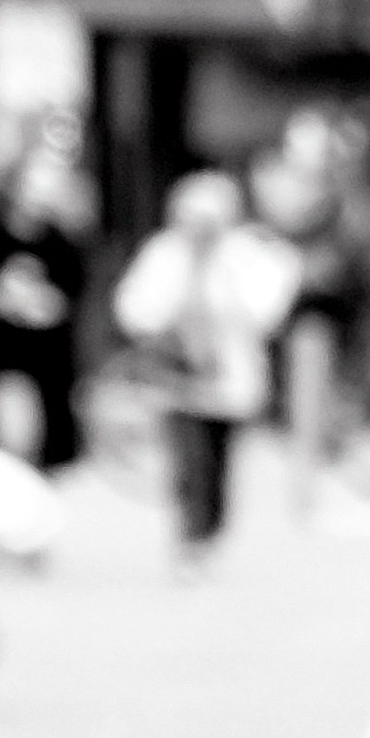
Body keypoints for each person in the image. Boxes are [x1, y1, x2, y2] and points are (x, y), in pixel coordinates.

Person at [117, 166, 291, 557]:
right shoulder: (164, 253)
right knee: (187, 457)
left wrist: (224, 285)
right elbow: (135, 308)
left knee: (217, 459)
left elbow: (264, 310)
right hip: (176, 374)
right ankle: (189, 534)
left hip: (227, 375)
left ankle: (211, 529)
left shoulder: (245, 256)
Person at [251, 110, 369, 508]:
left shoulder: (338, 182)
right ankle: (300, 441)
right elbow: (284, 217)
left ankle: (322, 438)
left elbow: (357, 224)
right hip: (287, 294)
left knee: (322, 370)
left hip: (324, 295)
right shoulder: (278, 177)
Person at [0, 122, 98, 476]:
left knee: (51, 429)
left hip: (52, 350)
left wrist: (48, 302)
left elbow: (76, 289)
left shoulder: (62, 242)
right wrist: (4, 298)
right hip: (9, 347)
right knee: (11, 427)